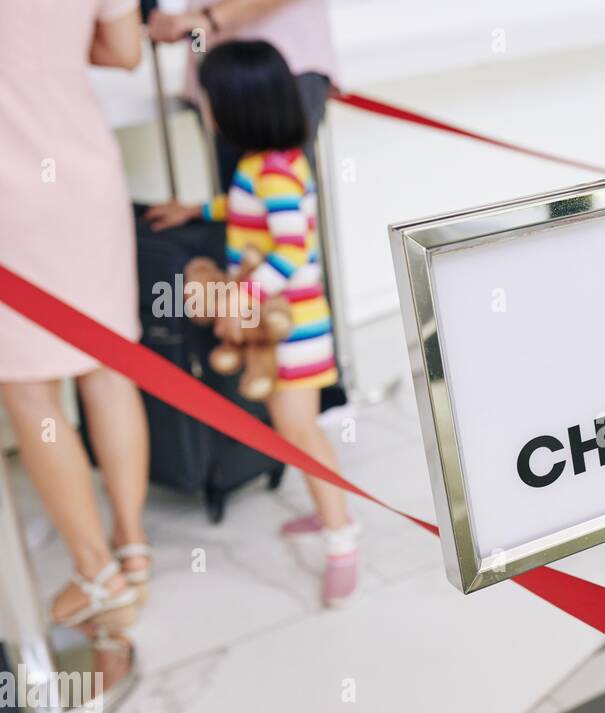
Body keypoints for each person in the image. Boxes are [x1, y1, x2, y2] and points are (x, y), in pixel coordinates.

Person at [146, 41, 359, 607]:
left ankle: (342, 540)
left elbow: (291, 248)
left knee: (300, 431)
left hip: (295, 329)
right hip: (280, 325)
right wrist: (199, 210)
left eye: (208, 99)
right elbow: (244, 209)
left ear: (238, 106)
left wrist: (241, 297)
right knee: (296, 427)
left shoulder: (274, 174)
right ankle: (328, 507)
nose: (203, 108)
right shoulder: (264, 165)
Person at [0, 0, 152, 630]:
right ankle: (131, 547)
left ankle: (97, 573)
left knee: (30, 389)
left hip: (10, 196)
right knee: (108, 367)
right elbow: (125, 51)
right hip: (84, 175)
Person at [145, 0, 336, 188]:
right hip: (212, 66)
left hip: (276, 68)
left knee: (277, 182)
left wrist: (209, 18)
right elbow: (199, 33)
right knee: (241, 189)